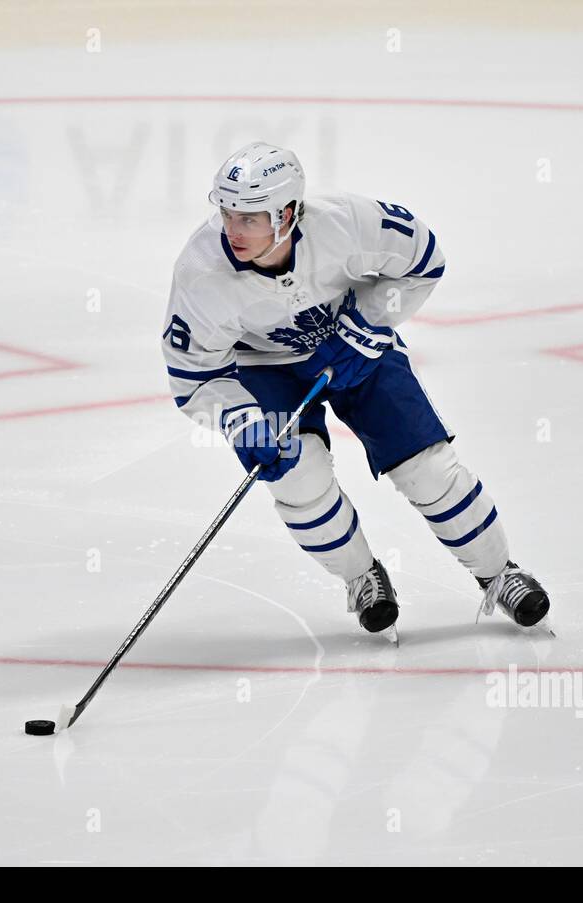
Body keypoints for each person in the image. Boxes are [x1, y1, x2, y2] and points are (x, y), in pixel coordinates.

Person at [161, 141, 551, 637]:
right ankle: (362, 577)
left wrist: (367, 323)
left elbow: (423, 258)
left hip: (355, 344)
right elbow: (194, 374)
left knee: (427, 469)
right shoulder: (200, 274)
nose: (232, 230)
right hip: (264, 367)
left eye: (250, 218)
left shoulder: (344, 221)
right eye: (227, 213)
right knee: (298, 479)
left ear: (287, 213)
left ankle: (500, 573)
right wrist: (241, 420)